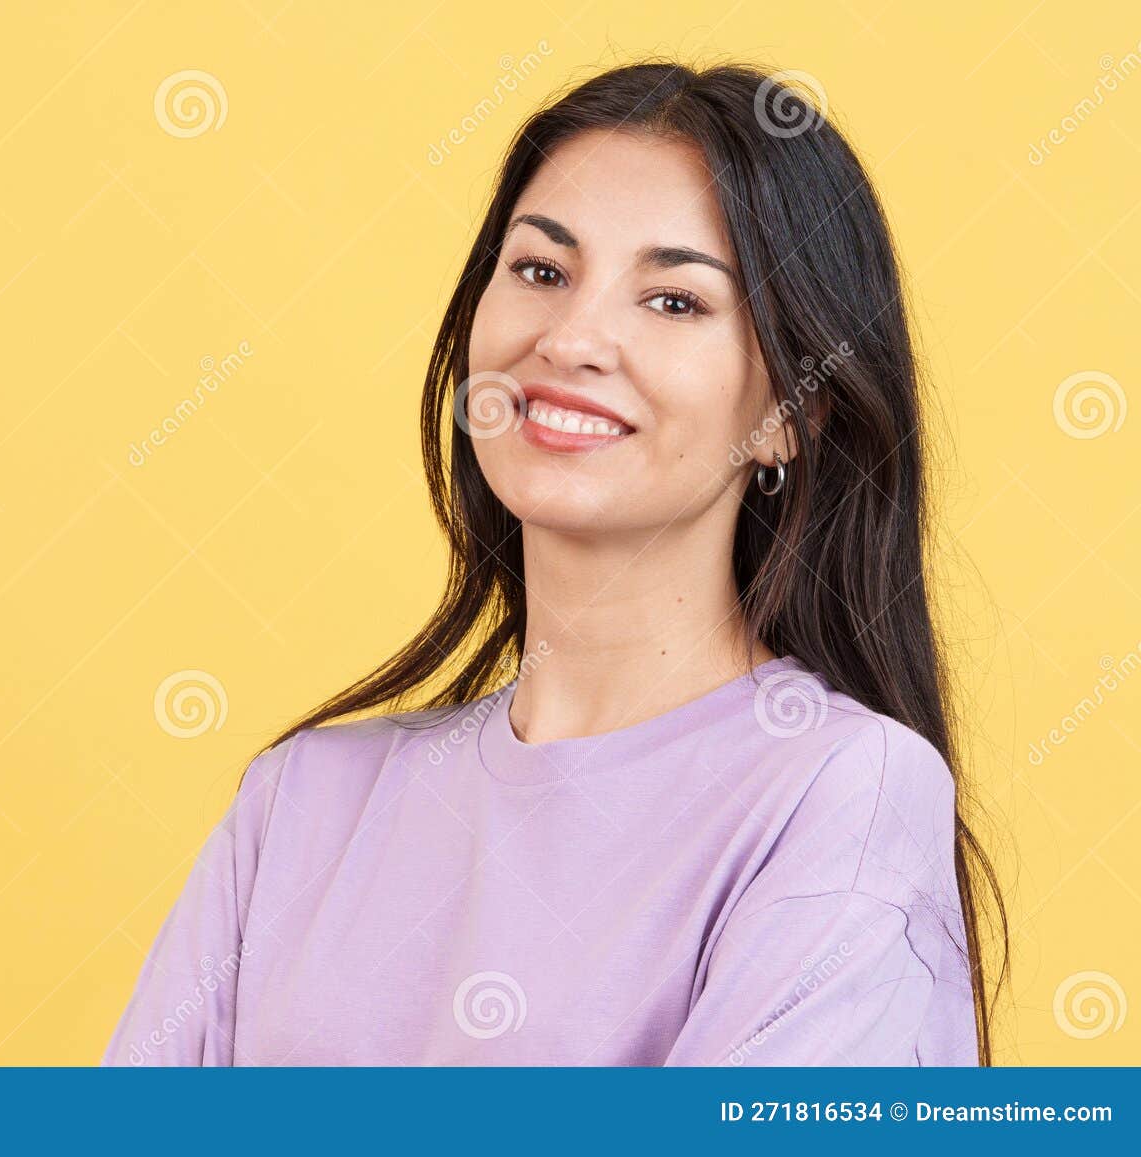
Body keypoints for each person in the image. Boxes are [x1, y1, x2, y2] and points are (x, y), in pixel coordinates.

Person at [102, 59, 1006, 1067]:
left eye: (671, 301)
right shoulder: (300, 802)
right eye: (540, 271)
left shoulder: (838, 789)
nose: (571, 338)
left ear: (789, 414)